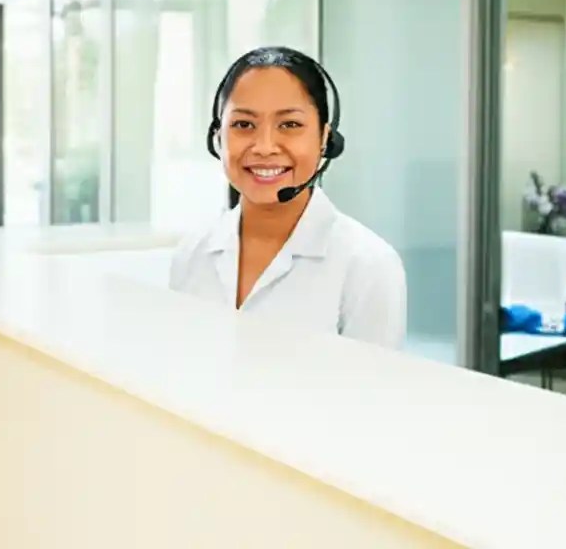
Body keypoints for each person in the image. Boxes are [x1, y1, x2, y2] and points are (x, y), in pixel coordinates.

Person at [168, 46, 407, 349]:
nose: (264, 147)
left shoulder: (368, 266)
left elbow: (374, 380)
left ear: (325, 139)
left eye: (290, 125)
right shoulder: (192, 253)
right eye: (243, 124)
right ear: (217, 137)